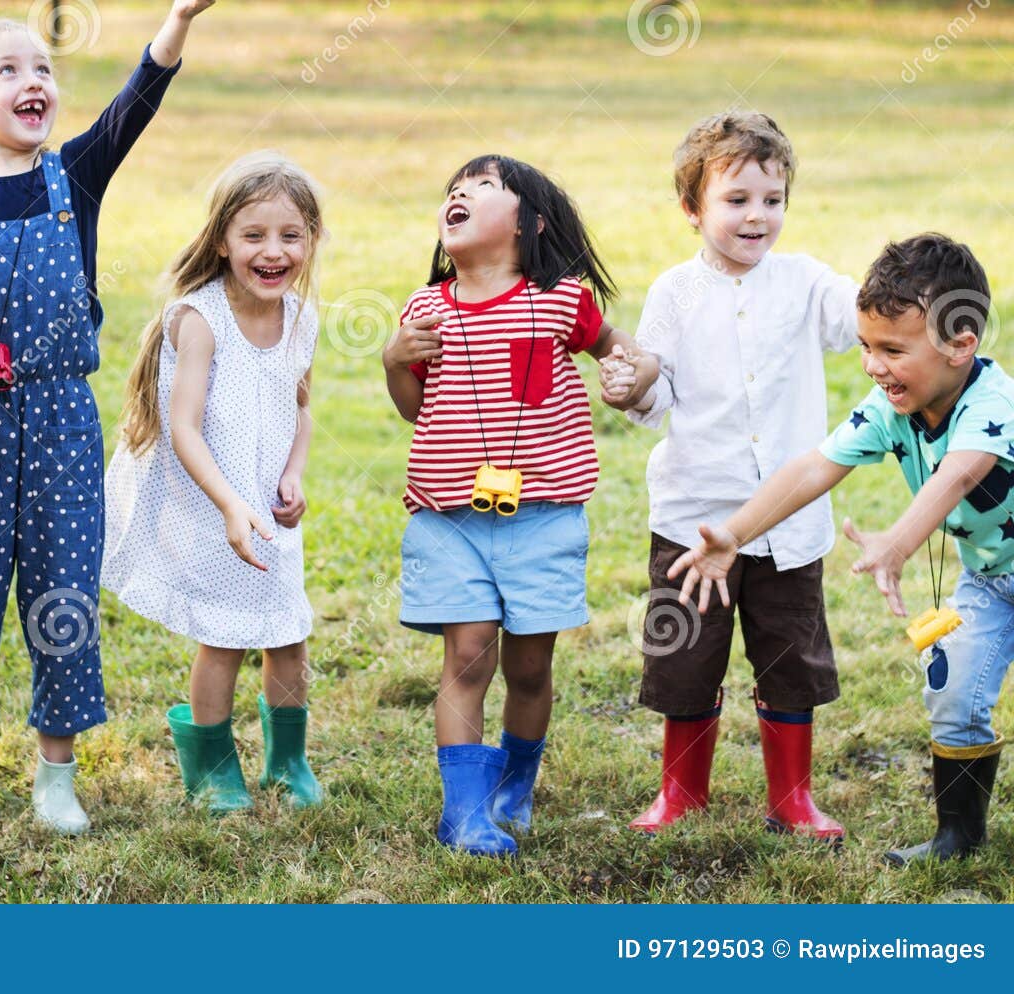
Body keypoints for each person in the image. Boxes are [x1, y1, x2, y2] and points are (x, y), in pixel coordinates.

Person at [0, 1, 214, 834]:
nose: (33, 81)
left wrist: (178, 17)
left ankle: (56, 776)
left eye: (43, 68)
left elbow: (138, 99)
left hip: (58, 421)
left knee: (63, 593)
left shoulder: (74, 176)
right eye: (7, 71)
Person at [669, 233, 1009, 865]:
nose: (874, 366)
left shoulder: (992, 406)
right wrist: (736, 534)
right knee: (955, 691)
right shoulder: (891, 406)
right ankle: (957, 839)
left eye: (893, 350)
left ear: (961, 345)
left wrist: (897, 543)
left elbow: (956, 477)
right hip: (990, 581)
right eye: (865, 346)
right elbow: (812, 468)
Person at [380, 153, 656, 857]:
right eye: (453, 189)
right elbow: (416, 408)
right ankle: (464, 813)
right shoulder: (425, 308)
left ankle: (516, 783)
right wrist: (393, 360)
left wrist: (636, 372)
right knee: (467, 656)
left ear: (528, 222)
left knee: (529, 667)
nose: (459, 194)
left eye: (481, 186)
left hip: (544, 517)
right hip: (449, 518)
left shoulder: (562, 299)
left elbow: (619, 350)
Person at [616, 111, 857, 840]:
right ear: (693, 209)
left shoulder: (806, 281)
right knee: (687, 662)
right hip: (694, 518)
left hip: (788, 525)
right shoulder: (673, 294)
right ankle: (681, 792)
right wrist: (633, 387)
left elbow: (858, 318)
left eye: (773, 200)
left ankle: (793, 799)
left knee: (792, 661)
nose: (758, 216)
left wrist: (908, 300)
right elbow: (655, 397)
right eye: (737, 200)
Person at [104, 151, 324, 813]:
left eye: (291, 235)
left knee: (288, 631)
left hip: (268, 506)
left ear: (312, 239)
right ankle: (212, 764)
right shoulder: (201, 321)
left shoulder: (300, 319)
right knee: (224, 634)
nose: (273, 251)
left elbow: (301, 408)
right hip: (210, 501)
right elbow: (185, 429)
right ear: (222, 240)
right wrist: (231, 503)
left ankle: (288, 761)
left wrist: (291, 474)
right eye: (253, 235)